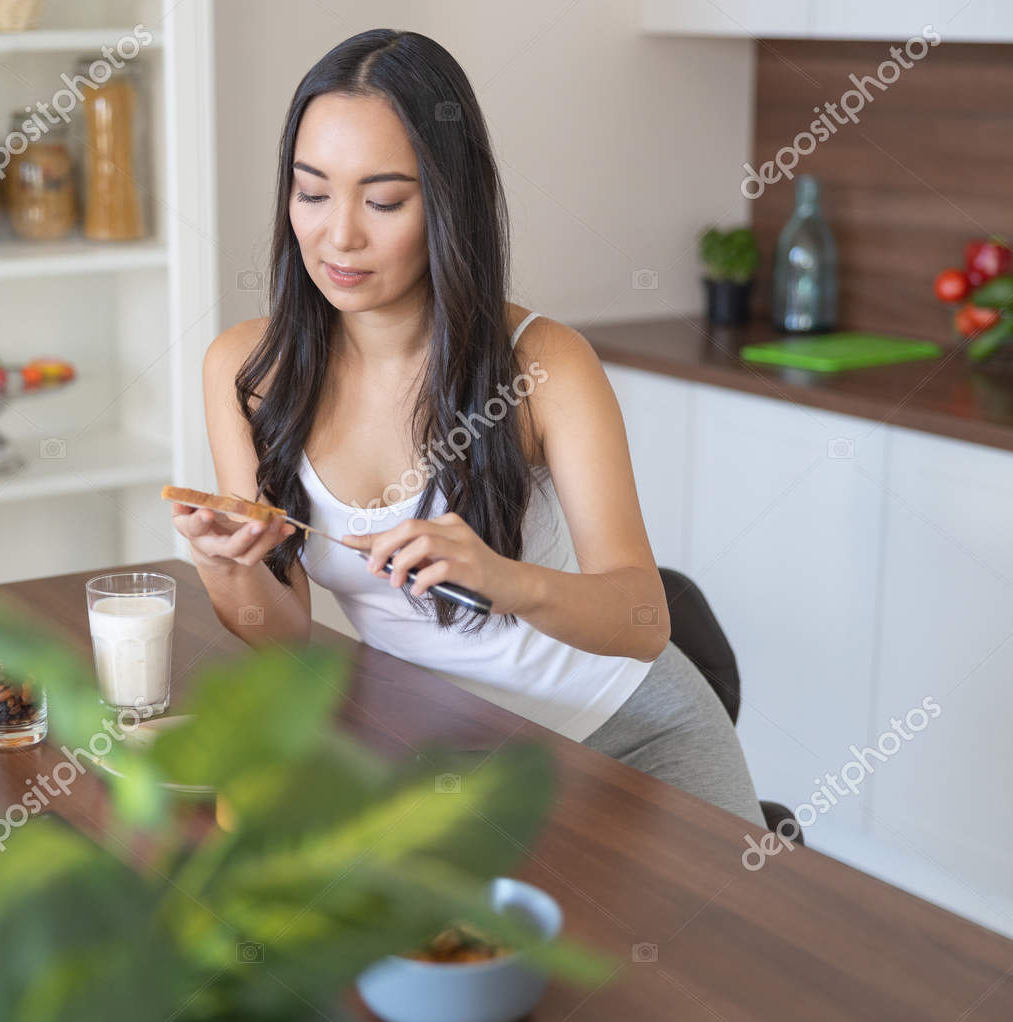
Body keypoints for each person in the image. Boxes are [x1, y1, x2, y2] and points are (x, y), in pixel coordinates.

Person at [172, 29, 764, 828]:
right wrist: (226, 568)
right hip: (446, 754)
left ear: (447, 204)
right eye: (312, 193)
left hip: (629, 738)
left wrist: (499, 577)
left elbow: (643, 618)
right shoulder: (247, 371)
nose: (338, 235)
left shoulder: (544, 364)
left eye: (383, 201)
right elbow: (283, 641)